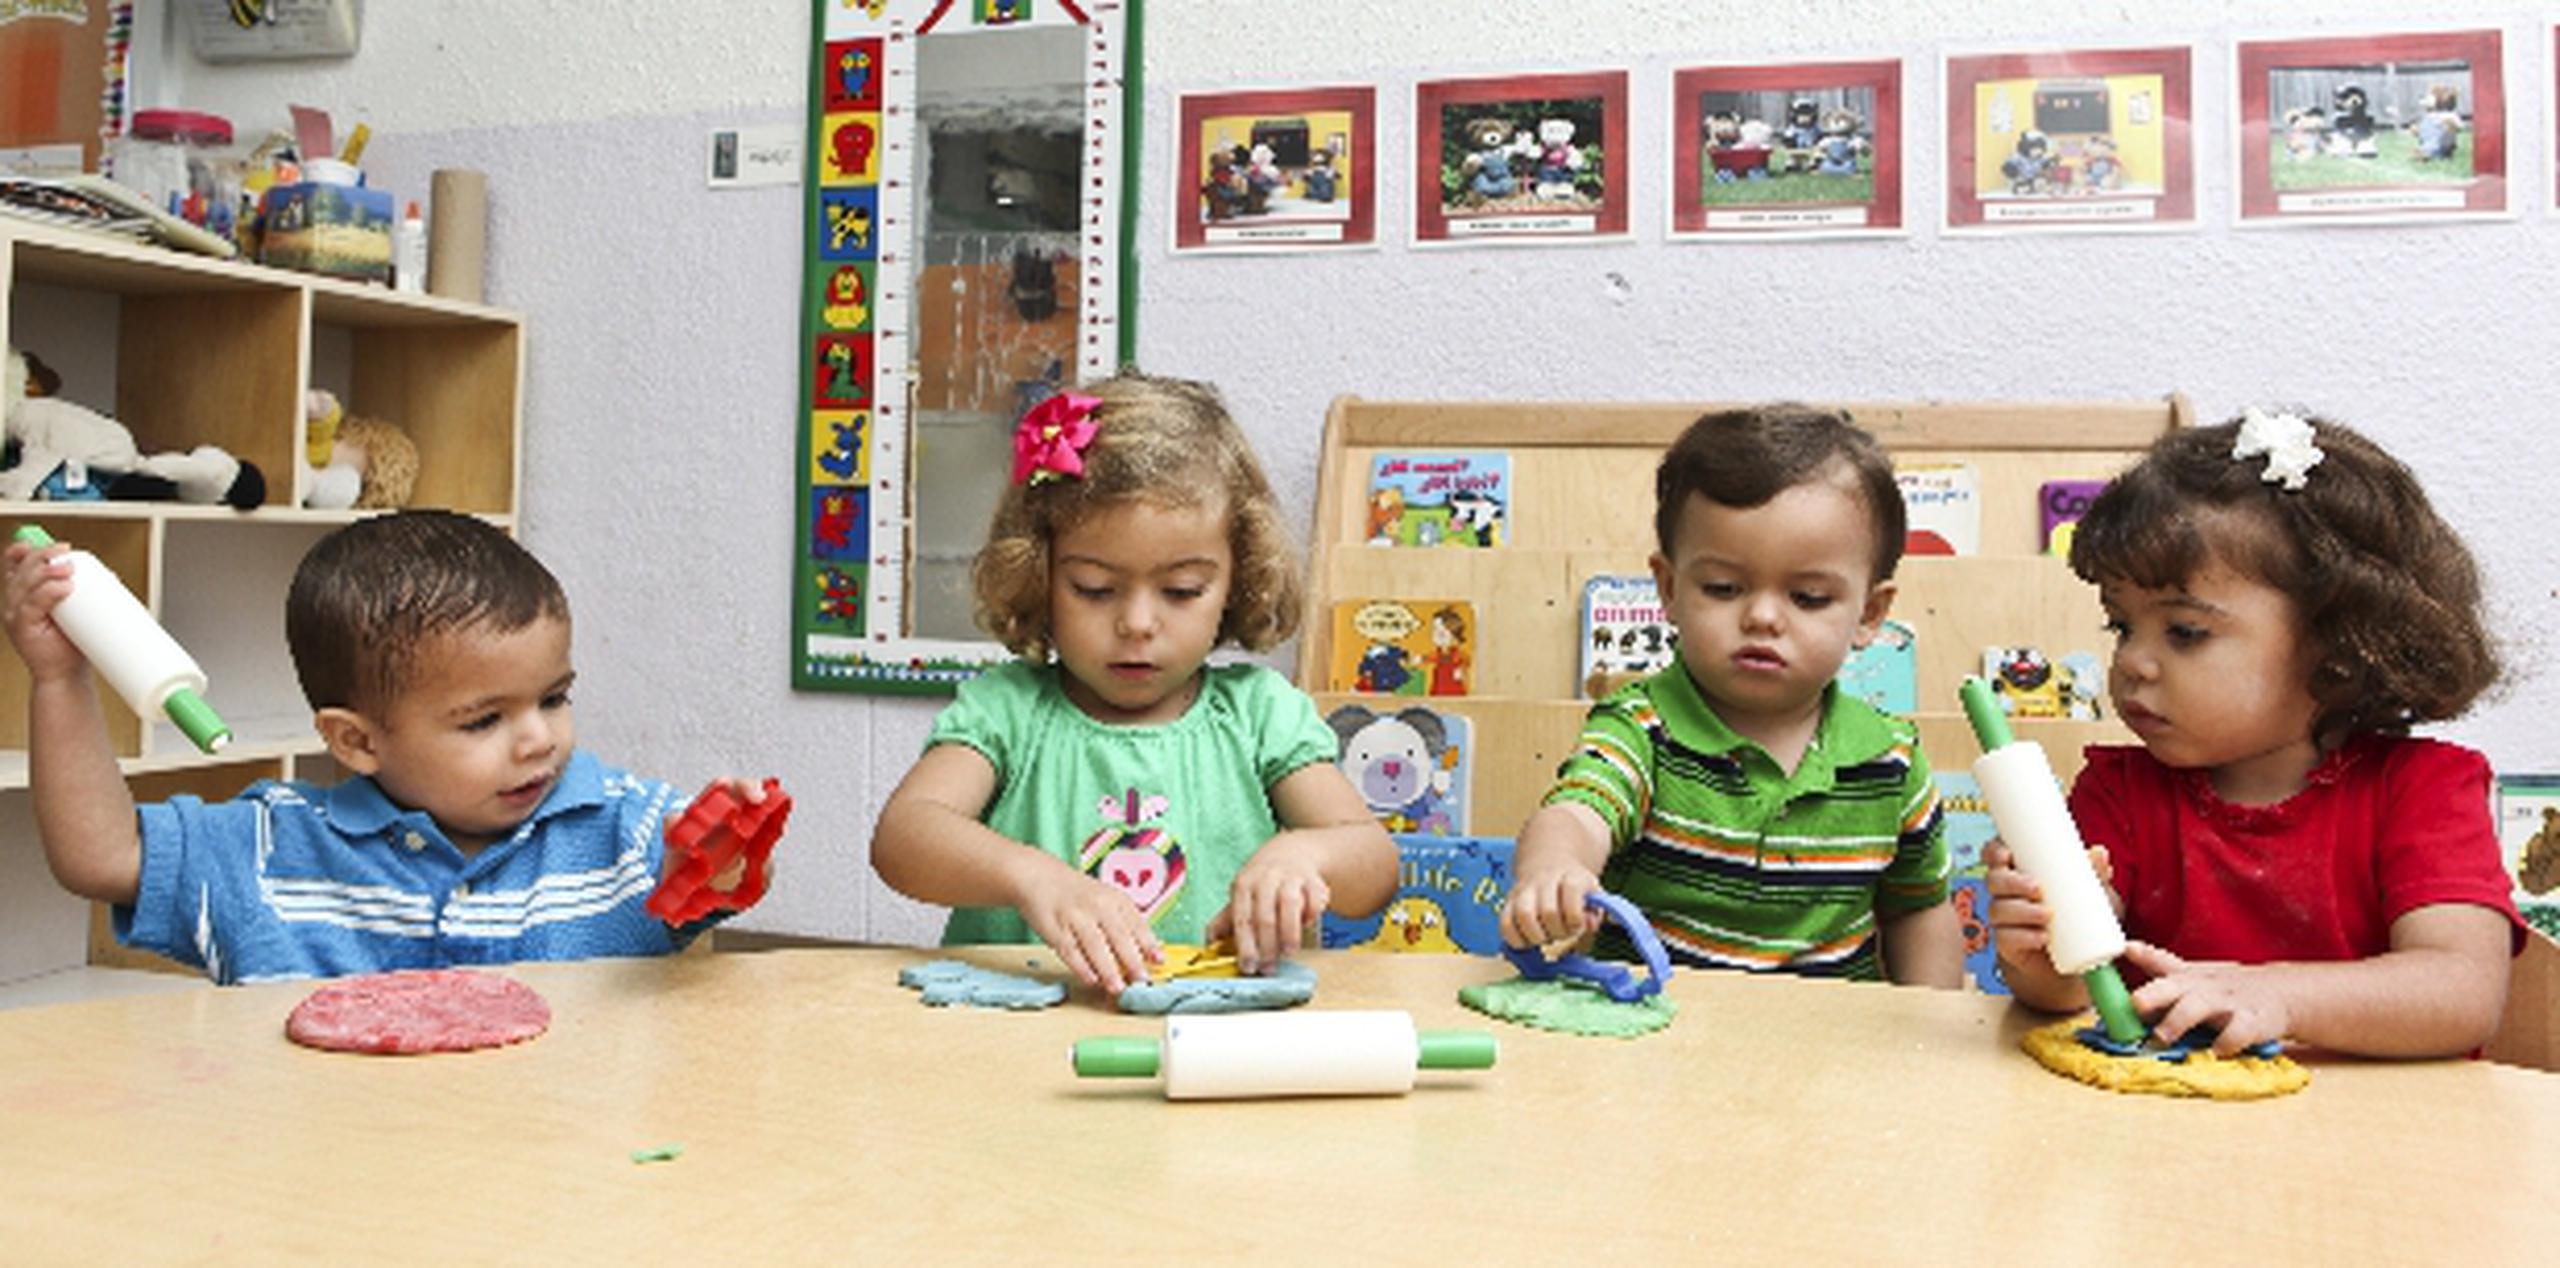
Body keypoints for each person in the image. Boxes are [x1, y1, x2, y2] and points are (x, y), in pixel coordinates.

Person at [1, 510, 770, 983]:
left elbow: (704, 876)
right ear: (355, 742)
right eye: (483, 721)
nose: (539, 737)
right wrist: (59, 680)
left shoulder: (624, 832)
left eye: (553, 697)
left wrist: (715, 851)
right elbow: (98, 857)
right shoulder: (271, 849)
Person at [1987, 409, 2522, 1058]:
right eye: (2122, 626)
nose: (2132, 662)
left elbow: (2462, 994)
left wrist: (2278, 998)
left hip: (2380, 1143)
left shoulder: (2423, 790)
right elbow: (2067, 995)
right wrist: (2042, 949)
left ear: (2338, 651)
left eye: (2185, 632)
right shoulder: (2119, 793)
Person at [870, 372, 1396, 994]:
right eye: (1094, 588)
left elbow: (1375, 866)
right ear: (1039, 572)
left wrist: (1306, 857)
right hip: (1012, 1051)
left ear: (1237, 579)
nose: (1138, 623)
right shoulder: (1008, 710)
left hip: (1217, 1046)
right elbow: (903, 838)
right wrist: (1033, 878)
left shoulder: (1259, 716)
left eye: (1181, 591)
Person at [1500, 405, 1963, 985]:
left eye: (1809, 597)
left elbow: (1917, 909)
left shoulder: (1891, 760)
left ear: (1869, 613)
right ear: (1668, 588)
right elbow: (1579, 812)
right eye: (1723, 588)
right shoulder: (1642, 728)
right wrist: (1555, 869)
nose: (1763, 617)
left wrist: (1930, 1032)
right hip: (1659, 1037)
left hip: (1837, 1053)